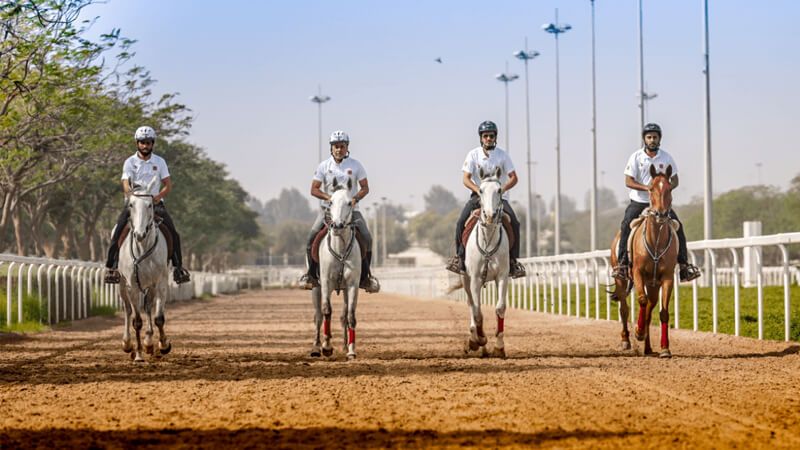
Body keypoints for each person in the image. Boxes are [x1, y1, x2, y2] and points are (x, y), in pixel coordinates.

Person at [612, 122, 701, 282]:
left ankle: (684, 266)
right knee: (626, 224)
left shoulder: (666, 157)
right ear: (644, 139)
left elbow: (675, 179)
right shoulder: (636, 157)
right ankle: (622, 264)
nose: (652, 140)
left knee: (678, 226)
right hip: (639, 201)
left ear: (659, 139)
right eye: (649, 137)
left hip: (660, 204)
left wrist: (664, 190)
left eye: (655, 137)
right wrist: (647, 188)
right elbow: (628, 181)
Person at [104, 126, 191, 285]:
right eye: (142, 142)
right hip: (135, 204)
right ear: (137, 143)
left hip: (154, 204)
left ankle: (178, 268)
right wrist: (130, 195)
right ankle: (112, 267)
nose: (145, 146)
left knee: (173, 233)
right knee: (118, 231)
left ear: (153, 144)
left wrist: (158, 197)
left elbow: (167, 185)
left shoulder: (160, 162)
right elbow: (125, 182)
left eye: (148, 143)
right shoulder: (130, 162)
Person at [298, 130, 380, 293]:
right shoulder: (323, 166)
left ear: (347, 147)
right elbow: (314, 189)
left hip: (352, 211)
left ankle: (366, 277)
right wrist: (329, 198)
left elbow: (365, 187)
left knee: (368, 239)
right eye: (336, 146)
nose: (339, 149)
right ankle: (310, 275)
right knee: (310, 238)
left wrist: (355, 198)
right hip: (328, 212)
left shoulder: (356, 165)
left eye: (342, 146)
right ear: (331, 148)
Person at [446, 120, 526, 278]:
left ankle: (513, 262)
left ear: (495, 137)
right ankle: (459, 258)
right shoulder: (473, 154)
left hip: (498, 198)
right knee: (461, 222)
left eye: (491, 135)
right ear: (481, 138)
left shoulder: (503, 155)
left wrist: (501, 190)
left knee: (515, 223)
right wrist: (479, 190)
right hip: (478, 196)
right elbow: (466, 179)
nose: (488, 138)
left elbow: (514, 178)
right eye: (485, 136)